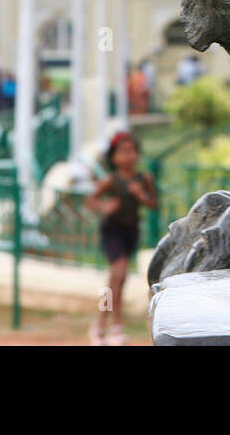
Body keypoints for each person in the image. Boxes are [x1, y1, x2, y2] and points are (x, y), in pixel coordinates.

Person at [84, 131, 157, 346]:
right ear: (114, 157)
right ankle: (113, 325)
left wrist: (140, 196)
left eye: (133, 151)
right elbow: (91, 201)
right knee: (119, 272)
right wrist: (105, 207)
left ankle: (101, 326)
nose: (129, 156)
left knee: (118, 279)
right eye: (124, 152)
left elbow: (153, 203)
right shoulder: (111, 181)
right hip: (112, 229)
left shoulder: (143, 179)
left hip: (130, 230)